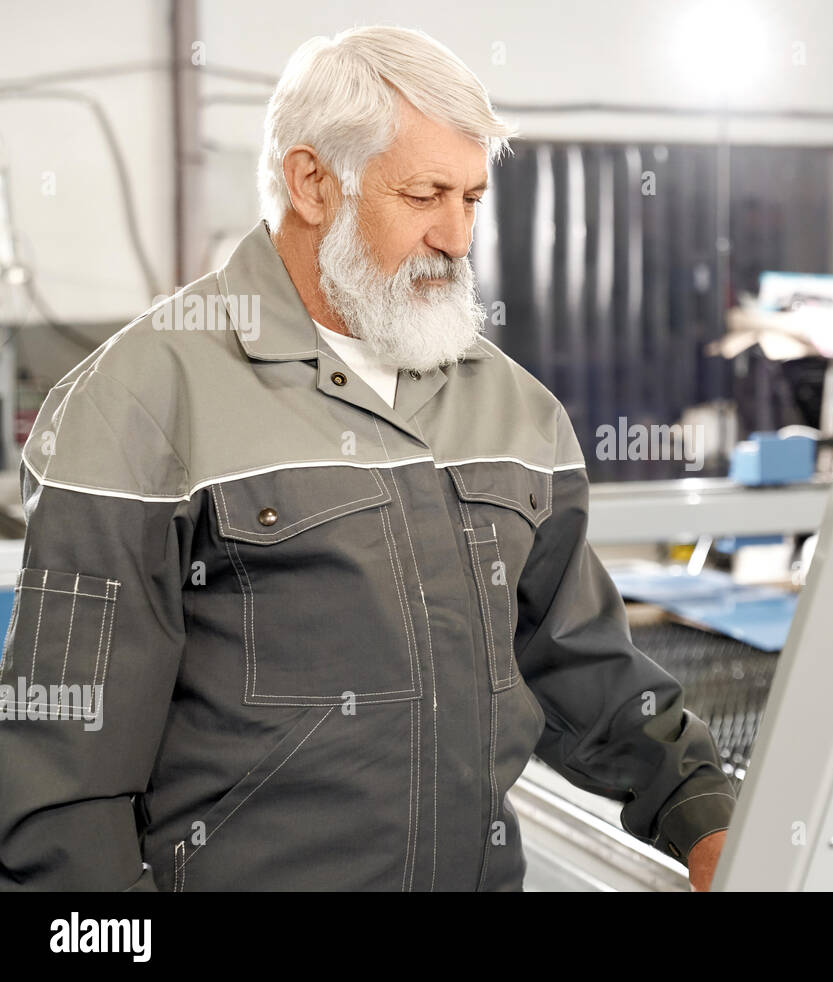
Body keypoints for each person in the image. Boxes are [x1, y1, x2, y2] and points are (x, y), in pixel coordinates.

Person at [0, 25, 733, 892]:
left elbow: (575, 657)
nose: (458, 238)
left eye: (472, 198)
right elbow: (66, 782)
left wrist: (702, 813)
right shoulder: (140, 404)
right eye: (424, 195)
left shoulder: (514, 409)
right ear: (312, 182)